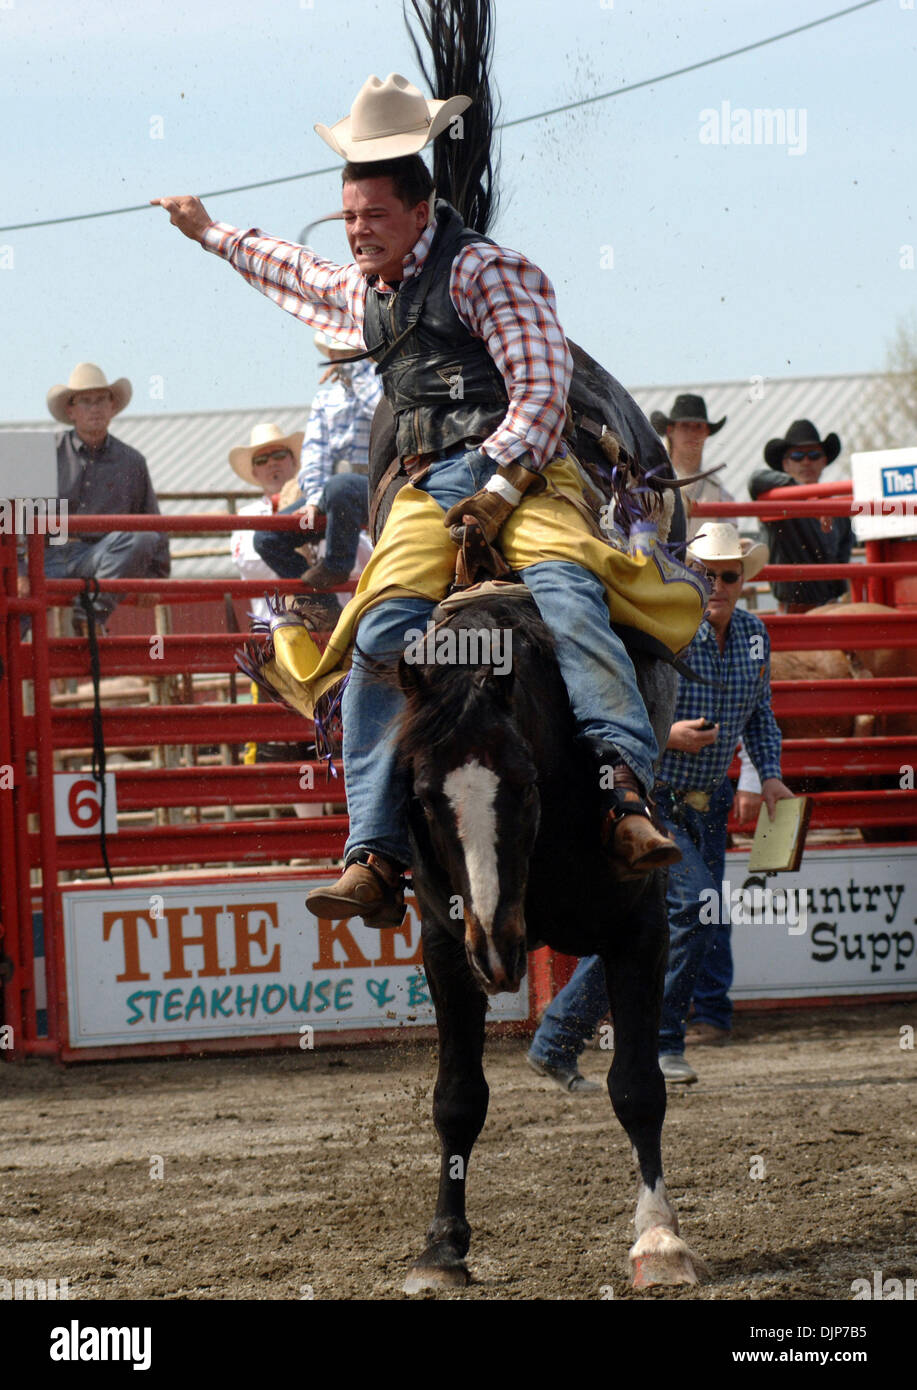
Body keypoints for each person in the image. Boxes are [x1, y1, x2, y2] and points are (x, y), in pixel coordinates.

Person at [153, 72, 707, 926]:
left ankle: (620, 793)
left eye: (372, 216)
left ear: (418, 211)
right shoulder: (364, 290)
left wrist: (498, 485)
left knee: (567, 597)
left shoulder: (489, 270)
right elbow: (293, 271)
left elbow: (541, 389)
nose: (358, 232)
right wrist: (207, 233)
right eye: (349, 218)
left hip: (527, 473)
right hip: (422, 487)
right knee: (378, 633)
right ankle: (374, 848)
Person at [526, 522, 794, 1091]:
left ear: (742, 581)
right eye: (706, 573)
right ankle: (663, 1044)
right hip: (651, 800)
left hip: (707, 805)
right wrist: (663, 733)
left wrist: (769, 777)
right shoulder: (662, 629)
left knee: (658, 927)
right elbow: (610, 705)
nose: (717, 583)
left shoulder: (752, 635)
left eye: (728, 575)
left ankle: (557, 1039)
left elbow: (761, 714)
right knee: (694, 910)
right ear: (688, 574)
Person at [46, 363, 170, 632]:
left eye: (101, 400)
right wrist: (20, 572)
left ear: (112, 407)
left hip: (101, 557)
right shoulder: (43, 452)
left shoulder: (132, 461)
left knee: (143, 536)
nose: (95, 408)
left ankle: (90, 616)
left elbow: (151, 521)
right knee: (11, 610)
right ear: (71, 410)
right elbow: (11, 511)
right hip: (48, 556)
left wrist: (154, 577)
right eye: (86, 401)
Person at [252, 331, 381, 589]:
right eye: (342, 355)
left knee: (340, 486)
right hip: (335, 493)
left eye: (354, 355)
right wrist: (313, 499)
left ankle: (336, 566)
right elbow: (315, 454)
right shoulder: (325, 399)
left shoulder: (387, 387)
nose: (347, 361)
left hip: (379, 486)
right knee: (267, 537)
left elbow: (380, 407)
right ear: (332, 356)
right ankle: (321, 603)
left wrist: (357, 376)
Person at [749, 419, 851, 612]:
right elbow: (755, 480)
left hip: (833, 608)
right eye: (797, 456)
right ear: (785, 464)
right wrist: (804, 495)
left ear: (824, 460)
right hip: (793, 611)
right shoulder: (776, 500)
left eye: (814, 455)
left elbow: (842, 562)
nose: (806, 462)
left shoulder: (839, 511)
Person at [229, 422, 304, 624]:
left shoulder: (318, 504)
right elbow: (248, 564)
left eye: (279, 455)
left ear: (294, 461)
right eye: (262, 459)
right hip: (273, 628)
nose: (272, 463)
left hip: (328, 626)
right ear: (255, 472)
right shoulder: (247, 514)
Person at [650, 392, 732, 542]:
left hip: (704, 565)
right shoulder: (653, 482)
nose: (692, 433)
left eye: (699, 427)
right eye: (685, 425)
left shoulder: (718, 491)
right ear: (670, 431)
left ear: (707, 432)